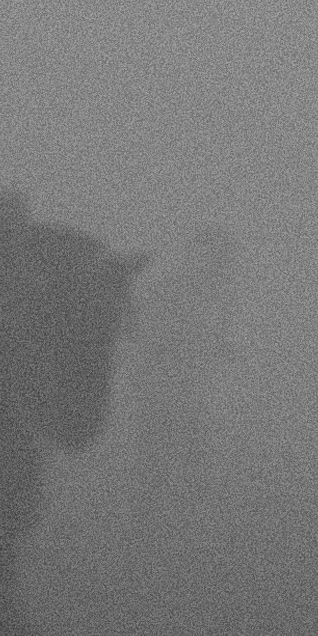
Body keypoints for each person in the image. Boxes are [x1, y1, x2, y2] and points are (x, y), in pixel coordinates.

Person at [126, 222, 235, 554]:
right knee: (166, 459)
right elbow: (145, 329)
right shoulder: (176, 287)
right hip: (165, 388)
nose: (224, 270)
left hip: (177, 387)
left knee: (178, 458)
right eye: (220, 259)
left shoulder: (192, 289)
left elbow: (145, 328)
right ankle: (155, 539)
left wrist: (213, 346)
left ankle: (170, 538)